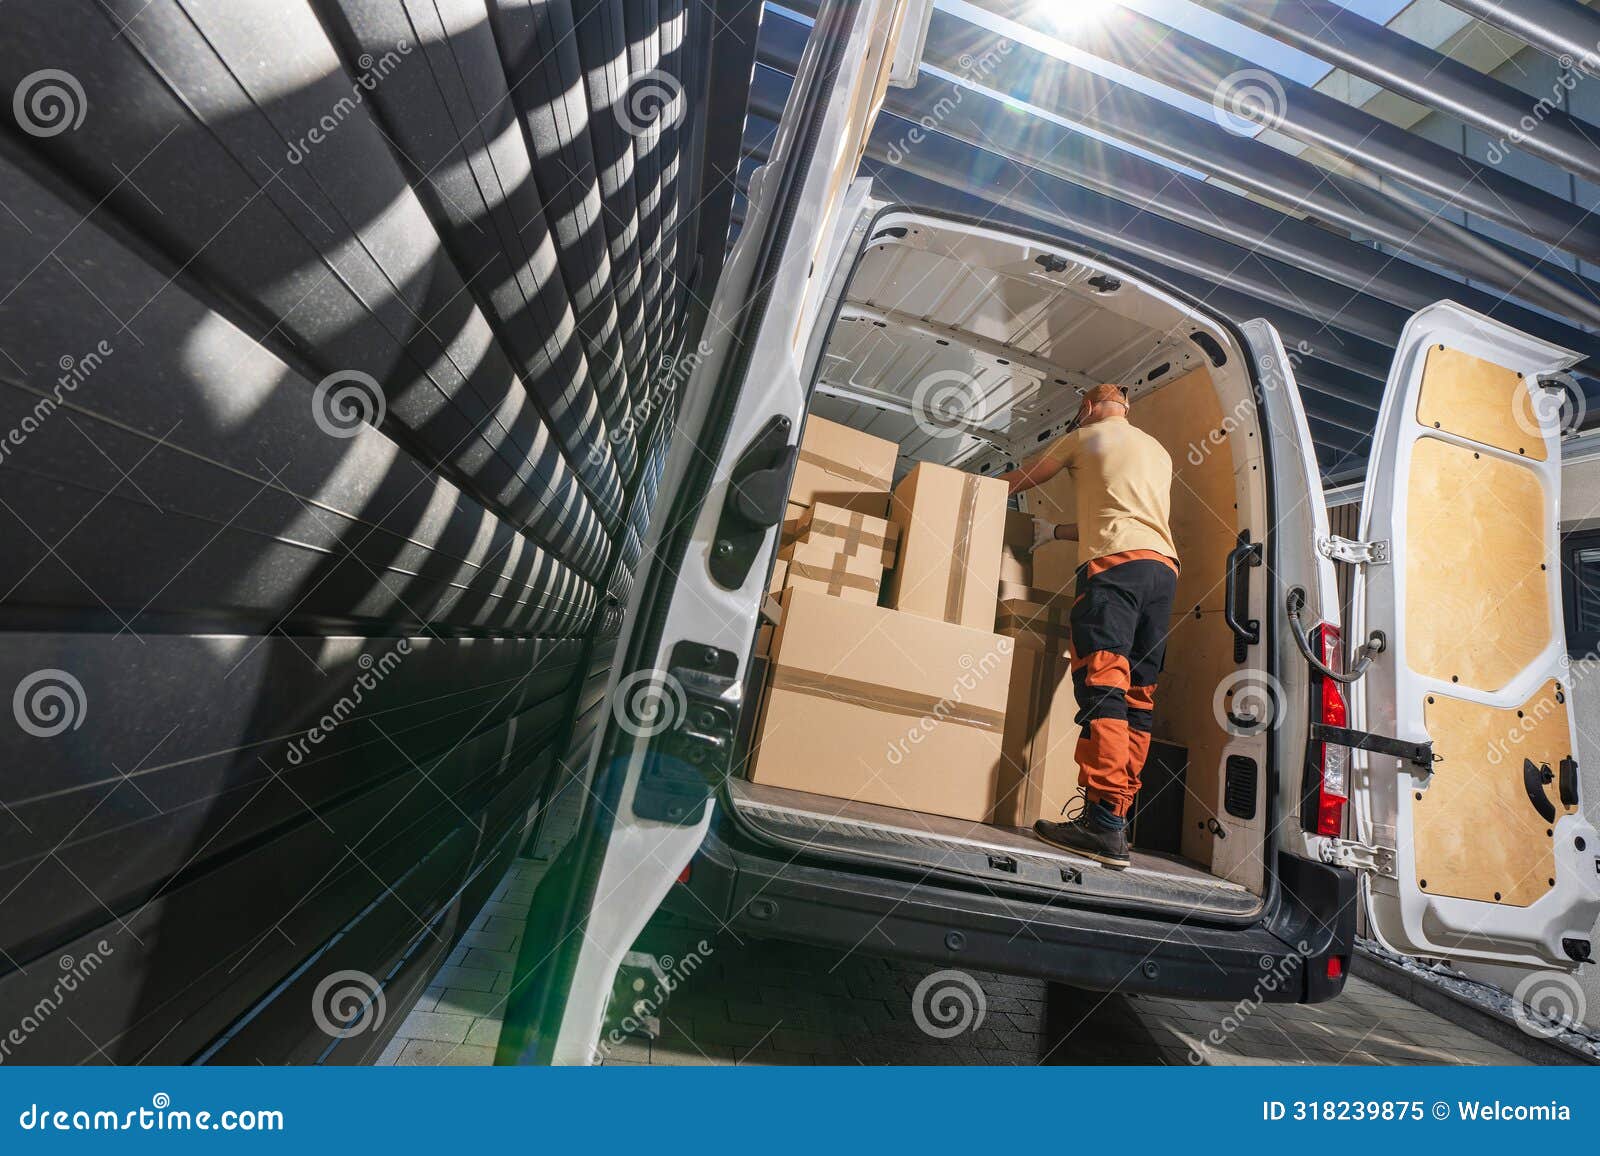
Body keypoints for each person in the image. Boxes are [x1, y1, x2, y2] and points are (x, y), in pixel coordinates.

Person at [997, 383, 1178, 870]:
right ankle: (1116, 815)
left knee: (1102, 683)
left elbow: (1024, 478)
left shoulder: (1085, 436)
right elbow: (1121, 513)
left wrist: (969, 488)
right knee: (1139, 694)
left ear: (1087, 408)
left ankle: (1102, 823)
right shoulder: (1156, 451)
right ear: (1128, 409)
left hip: (1114, 568)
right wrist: (1053, 532)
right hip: (1162, 571)